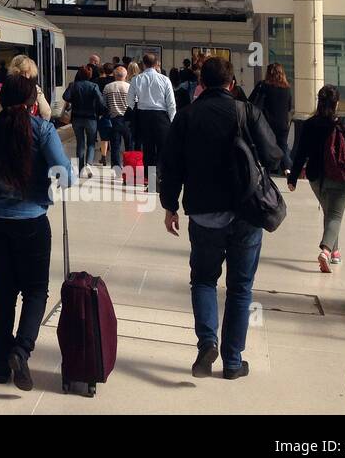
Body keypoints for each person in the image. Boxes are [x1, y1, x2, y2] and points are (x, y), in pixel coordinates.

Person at [160, 57, 283, 380]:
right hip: (246, 212)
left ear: (201, 83)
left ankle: (207, 342)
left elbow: (170, 166)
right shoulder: (247, 111)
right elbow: (273, 155)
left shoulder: (187, 117)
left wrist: (170, 205)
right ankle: (232, 361)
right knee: (240, 288)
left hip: (203, 214)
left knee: (203, 280)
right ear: (231, 83)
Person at [0, 72, 73, 389]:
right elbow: (65, 176)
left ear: (1, 99)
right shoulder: (42, 130)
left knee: (3, 290)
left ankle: (0, 364)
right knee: (36, 290)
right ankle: (21, 351)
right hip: (31, 221)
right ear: (31, 103)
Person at [287, 85, 345, 273]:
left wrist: (292, 178)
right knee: (335, 215)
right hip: (340, 177)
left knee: (330, 213)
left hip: (317, 178)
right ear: (337, 103)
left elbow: (300, 152)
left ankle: (335, 252)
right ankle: (326, 251)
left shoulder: (310, 124)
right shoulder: (343, 123)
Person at [128, 52, 175, 189]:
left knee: (148, 150)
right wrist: (172, 121)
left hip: (144, 117)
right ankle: (160, 177)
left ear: (143, 64)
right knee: (162, 149)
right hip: (161, 117)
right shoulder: (165, 80)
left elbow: (130, 101)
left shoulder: (136, 79)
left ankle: (152, 181)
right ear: (156, 64)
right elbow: (171, 103)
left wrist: (135, 111)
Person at [62, 64, 106, 177]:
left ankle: (81, 168)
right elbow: (101, 101)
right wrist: (101, 111)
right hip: (91, 118)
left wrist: (74, 99)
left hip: (76, 118)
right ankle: (89, 164)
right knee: (91, 143)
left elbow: (65, 97)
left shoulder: (73, 85)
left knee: (80, 143)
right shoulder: (94, 86)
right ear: (90, 75)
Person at [250, 63, 293, 173]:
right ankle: (287, 169)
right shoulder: (287, 89)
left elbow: (251, 102)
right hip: (283, 124)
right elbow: (289, 107)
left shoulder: (263, 86)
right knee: (282, 147)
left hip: (267, 124)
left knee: (265, 146)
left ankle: (267, 170)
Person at [102, 64, 132, 170]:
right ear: (126, 75)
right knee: (129, 145)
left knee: (115, 146)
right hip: (128, 120)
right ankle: (129, 166)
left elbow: (104, 103)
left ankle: (116, 168)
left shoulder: (108, 87)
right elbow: (134, 103)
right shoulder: (130, 87)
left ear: (115, 75)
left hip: (114, 119)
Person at [7, 54, 51, 119]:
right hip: (29, 126)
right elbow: (46, 112)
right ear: (30, 70)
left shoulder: (3, 88)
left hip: (8, 126)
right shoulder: (35, 88)